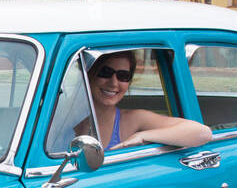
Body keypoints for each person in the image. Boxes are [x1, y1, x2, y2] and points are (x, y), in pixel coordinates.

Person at [74, 51, 212, 149]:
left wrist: (142, 136)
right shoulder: (62, 117)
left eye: (123, 76)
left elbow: (201, 132)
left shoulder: (133, 119)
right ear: (88, 75)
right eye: (105, 73)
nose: (114, 83)